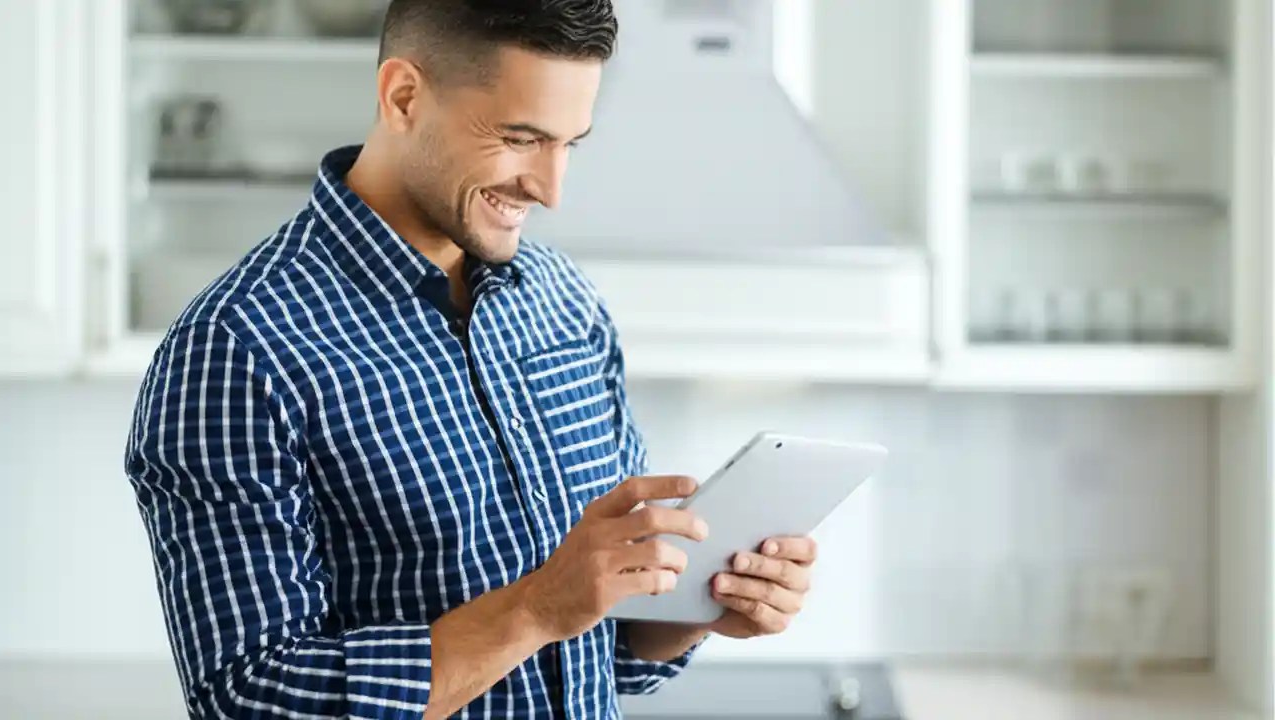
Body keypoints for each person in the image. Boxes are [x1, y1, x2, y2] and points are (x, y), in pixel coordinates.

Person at [124, 1, 818, 717]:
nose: (549, 188)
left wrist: (700, 605)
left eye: (568, 144)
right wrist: (534, 609)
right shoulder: (236, 350)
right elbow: (248, 698)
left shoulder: (563, 302)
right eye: (520, 138)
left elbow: (600, 654)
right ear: (403, 97)